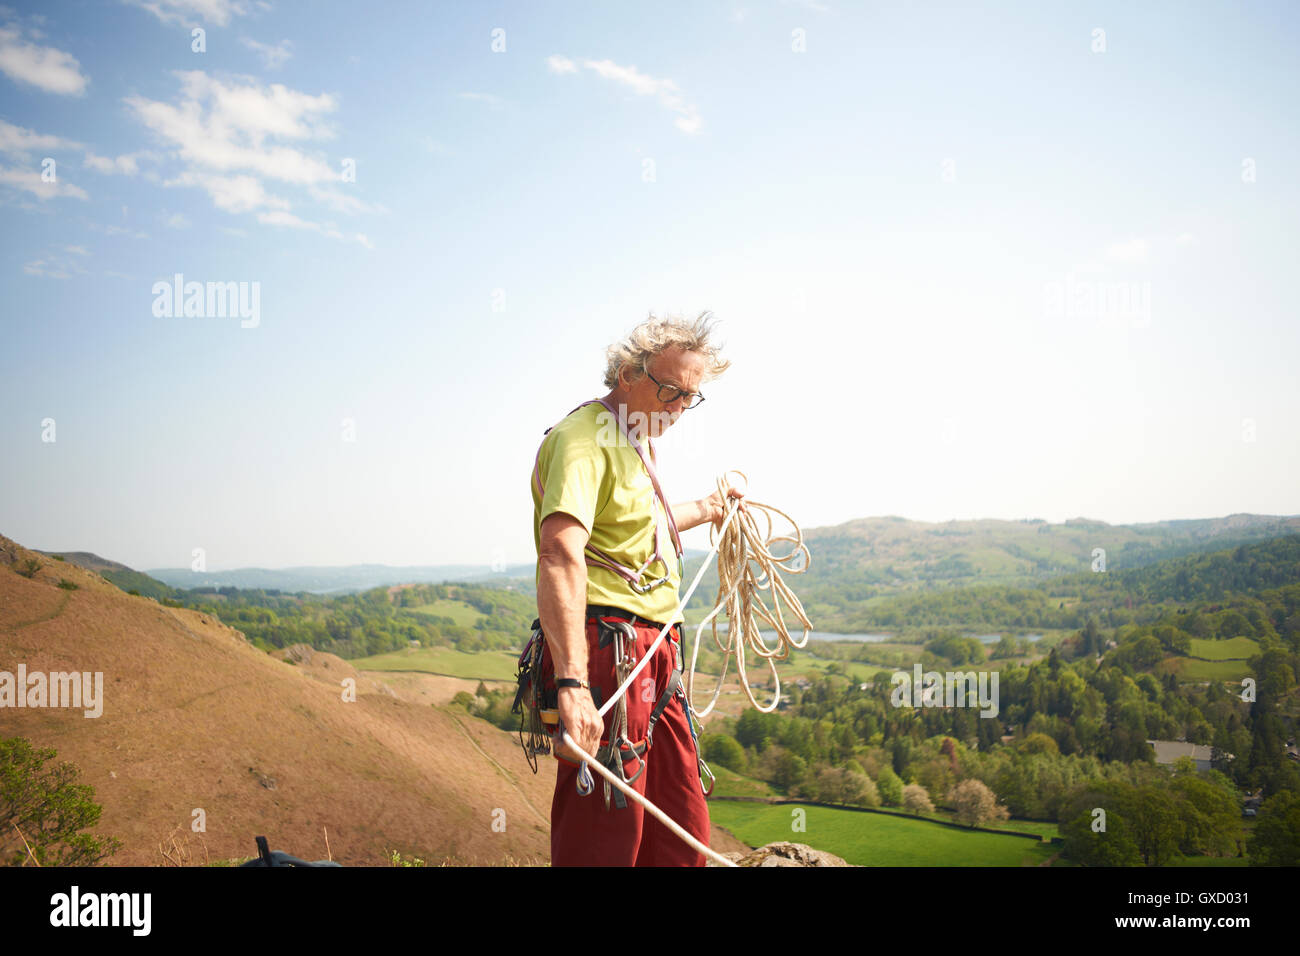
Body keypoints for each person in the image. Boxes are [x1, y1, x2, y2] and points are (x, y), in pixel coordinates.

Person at [530, 312, 743, 866]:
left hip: (654, 658)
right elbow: (559, 551)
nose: (677, 409)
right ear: (627, 372)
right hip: (609, 657)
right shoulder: (583, 440)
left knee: (680, 830)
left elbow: (639, 526)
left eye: (689, 398)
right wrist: (573, 685)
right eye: (669, 390)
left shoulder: (632, 440)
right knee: (604, 837)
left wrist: (711, 509)